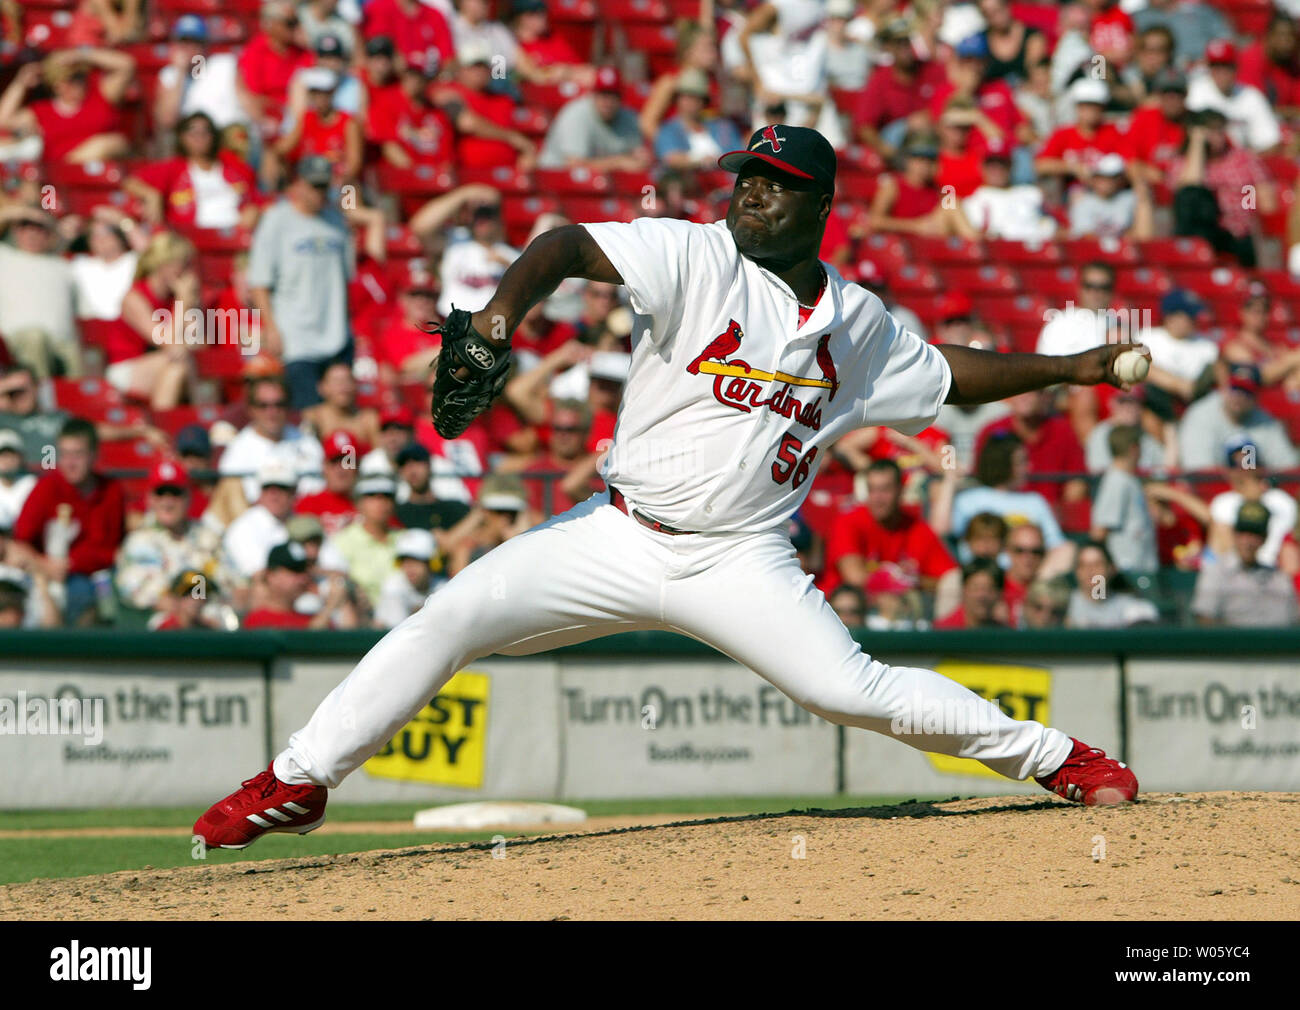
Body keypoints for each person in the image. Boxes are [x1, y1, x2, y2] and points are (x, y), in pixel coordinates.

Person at [195, 124, 1144, 851]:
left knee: (853, 693)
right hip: (614, 533)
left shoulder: (856, 323)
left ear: (822, 209)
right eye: (748, 176)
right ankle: (298, 778)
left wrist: (1073, 369)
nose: (754, 194)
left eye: (779, 185)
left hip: (742, 560)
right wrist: (497, 318)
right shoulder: (697, 254)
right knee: (446, 621)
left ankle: (1060, 759)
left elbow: (952, 374)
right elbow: (566, 245)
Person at [246, 156, 355, 409]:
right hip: (296, 338)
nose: (319, 192)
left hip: (336, 336)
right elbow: (260, 282)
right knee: (307, 414)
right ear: (299, 185)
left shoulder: (337, 222)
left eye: (323, 185)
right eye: (314, 185)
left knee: (339, 417)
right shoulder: (276, 220)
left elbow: (346, 278)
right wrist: (272, 328)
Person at [10, 417, 125, 625]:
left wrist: (73, 563)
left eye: (78, 454)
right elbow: (21, 541)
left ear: (94, 455)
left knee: (114, 602)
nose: (70, 462)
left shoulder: (111, 490)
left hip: (102, 575)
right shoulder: (46, 489)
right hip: (56, 577)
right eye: (64, 454)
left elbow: (113, 546)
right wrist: (44, 564)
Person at [824, 458, 957, 602]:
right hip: (844, 613)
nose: (878, 498)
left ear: (900, 489)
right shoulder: (848, 521)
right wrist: (901, 583)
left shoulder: (916, 527)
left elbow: (948, 581)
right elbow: (855, 578)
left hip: (903, 613)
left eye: (885, 490)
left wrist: (912, 581)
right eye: (872, 490)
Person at [101, 232, 201, 412]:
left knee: (181, 366)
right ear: (163, 264)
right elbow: (168, 343)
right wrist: (183, 303)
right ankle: (169, 424)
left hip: (169, 365)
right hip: (126, 370)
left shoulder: (176, 299)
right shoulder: (134, 298)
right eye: (182, 264)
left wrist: (192, 305)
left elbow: (201, 344)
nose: (187, 272)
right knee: (178, 363)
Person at [1169, 108, 1277, 268]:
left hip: (1240, 231)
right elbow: (1189, 188)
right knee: (1191, 195)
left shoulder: (1243, 159)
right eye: (1211, 131)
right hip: (1204, 229)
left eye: (1220, 130)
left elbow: (1261, 195)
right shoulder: (1185, 163)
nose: (1217, 137)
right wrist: (1198, 145)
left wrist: (1248, 211)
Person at [114, 459, 225, 613]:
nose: (167, 502)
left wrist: (200, 598)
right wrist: (179, 606)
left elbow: (228, 582)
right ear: (150, 499)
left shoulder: (207, 537)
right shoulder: (139, 541)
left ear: (188, 497)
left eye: (175, 494)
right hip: (158, 625)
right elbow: (133, 589)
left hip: (210, 620)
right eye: (160, 494)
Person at [0, 48, 135, 165]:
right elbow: (4, 120)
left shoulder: (101, 94)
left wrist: (81, 54)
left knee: (112, 144)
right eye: (73, 78)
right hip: (61, 177)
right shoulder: (42, 111)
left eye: (81, 76)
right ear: (57, 85)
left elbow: (126, 65)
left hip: (104, 171)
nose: (80, 82)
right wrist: (20, 83)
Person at [212, 377, 325, 508]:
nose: (272, 412)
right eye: (263, 405)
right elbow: (234, 501)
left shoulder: (308, 443)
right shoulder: (237, 451)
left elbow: (320, 487)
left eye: (279, 404)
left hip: (305, 517)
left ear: (288, 406)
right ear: (251, 409)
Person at [0, 206, 79, 379]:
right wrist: (22, 212)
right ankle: (40, 402)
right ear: (15, 231)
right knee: (35, 339)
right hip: (17, 340)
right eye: (25, 227)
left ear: (49, 234)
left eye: (39, 229)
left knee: (76, 351)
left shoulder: (63, 266)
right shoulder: (4, 256)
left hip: (61, 343)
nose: (32, 234)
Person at [1192, 501, 1297, 627]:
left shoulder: (1278, 577)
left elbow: (1294, 619)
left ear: (1265, 538)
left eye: (1255, 535)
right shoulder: (1216, 571)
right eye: (1243, 533)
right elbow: (1204, 619)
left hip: (1281, 644)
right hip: (1233, 644)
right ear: (1235, 534)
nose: (1248, 541)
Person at [1179, 364, 1299, 471]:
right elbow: (1200, 472)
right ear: (1224, 388)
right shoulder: (1201, 415)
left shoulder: (1264, 421)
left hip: (1256, 489)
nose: (1239, 397)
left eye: (1246, 392)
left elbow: (1287, 468)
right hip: (1213, 491)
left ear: (1256, 397)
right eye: (1235, 389)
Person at [1206, 437, 1298, 568]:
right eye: (1236, 463)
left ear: (1260, 466)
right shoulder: (1222, 502)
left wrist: (1259, 496)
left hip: (1275, 572)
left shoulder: (1282, 501)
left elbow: (1288, 543)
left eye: (1249, 461)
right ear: (1228, 471)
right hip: (1236, 571)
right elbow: (1224, 546)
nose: (1244, 468)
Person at [537, 67, 649, 172]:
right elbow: (574, 166)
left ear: (621, 97)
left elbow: (638, 153)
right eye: (603, 94)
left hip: (606, 186)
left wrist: (641, 158)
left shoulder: (630, 119)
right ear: (593, 94)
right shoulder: (576, 115)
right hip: (556, 183)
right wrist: (619, 163)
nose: (607, 101)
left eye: (613, 95)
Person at [153, 14, 247, 134]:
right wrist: (180, 73)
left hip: (225, 133)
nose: (189, 48)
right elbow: (167, 119)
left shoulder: (225, 65)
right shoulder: (169, 75)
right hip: (193, 140)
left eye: (195, 42)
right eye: (184, 42)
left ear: (205, 44)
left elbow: (246, 102)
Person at [319, 473, 402, 605]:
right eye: (371, 496)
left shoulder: (404, 540)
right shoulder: (341, 541)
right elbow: (333, 579)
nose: (380, 503)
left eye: (387, 497)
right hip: (358, 613)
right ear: (359, 503)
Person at [1186, 40, 1281, 154]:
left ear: (1236, 67)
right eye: (1215, 66)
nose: (1221, 72)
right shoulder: (1196, 92)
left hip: (1244, 161)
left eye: (1226, 66)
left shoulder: (1251, 96)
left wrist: (1242, 160)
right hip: (1208, 160)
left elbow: (1271, 142)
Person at [1090, 425, 1158, 578]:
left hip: (1140, 570)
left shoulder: (1129, 480)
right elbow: (1100, 532)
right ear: (1134, 449)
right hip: (1125, 574)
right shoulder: (1116, 481)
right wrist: (1102, 577)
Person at [220, 459, 299, 585]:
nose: (274, 495)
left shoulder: (302, 521)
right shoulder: (244, 528)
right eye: (267, 487)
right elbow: (261, 576)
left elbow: (332, 562)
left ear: (294, 492)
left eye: (282, 487)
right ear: (260, 492)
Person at [653, 69, 744, 171]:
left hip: (727, 180)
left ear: (703, 102)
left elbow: (739, 156)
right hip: (692, 182)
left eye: (697, 98)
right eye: (687, 96)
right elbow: (671, 159)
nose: (692, 102)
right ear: (677, 99)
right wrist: (700, 161)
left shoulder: (723, 126)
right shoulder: (667, 130)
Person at [437, 204, 519, 318]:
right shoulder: (456, 246)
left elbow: (527, 287)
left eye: (487, 220)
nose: (482, 225)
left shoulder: (510, 254)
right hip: (452, 318)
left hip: (490, 323)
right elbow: (424, 227)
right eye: (479, 221)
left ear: (497, 224)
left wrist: (507, 264)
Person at [243, 542, 343, 630]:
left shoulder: (311, 617)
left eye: (305, 570)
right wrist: (329, 608)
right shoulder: (258, 620)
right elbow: (304, 645)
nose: (303, 577)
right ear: (271, 575)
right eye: (295, 570)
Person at [1066, 540, 1159, 628]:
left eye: (1097, 565)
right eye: (1083, 565)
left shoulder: (1132, 607)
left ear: (1111, 569)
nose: (1089, 571)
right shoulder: (1064, 605)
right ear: (1076, 571)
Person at [295, 429, 364, 537]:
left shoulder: (371, 505)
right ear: (324, 466)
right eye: (334, 462)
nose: (341, 470)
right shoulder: (307, 505)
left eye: (348, 462)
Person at [1068, 153, 1154, 240]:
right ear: (1093, 179)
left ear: (1121, 179)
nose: (1106, 182)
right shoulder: (1083, 202)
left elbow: (1144, 236)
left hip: (1124, 251)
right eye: (1101, 176)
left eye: (1112, 177)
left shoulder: (1130, 199)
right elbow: (1085, 237)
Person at [374, 528, 444, 628]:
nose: (409, 567)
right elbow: (400, 633)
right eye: (404, 560)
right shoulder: (393, 587)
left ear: (431, 564)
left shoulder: (443, 587)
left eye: (416, 560)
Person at [933, 559, 1009, 628]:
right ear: (964, 590)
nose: (982, 595)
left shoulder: (1005, 634)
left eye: (989, 589)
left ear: (999, 593)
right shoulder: (942, 631)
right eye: (975, 588)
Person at [0, 427, 34, 531]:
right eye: (3, 455)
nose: (7, 461)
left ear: (21, 458)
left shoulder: (32, 484)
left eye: (12, 455)